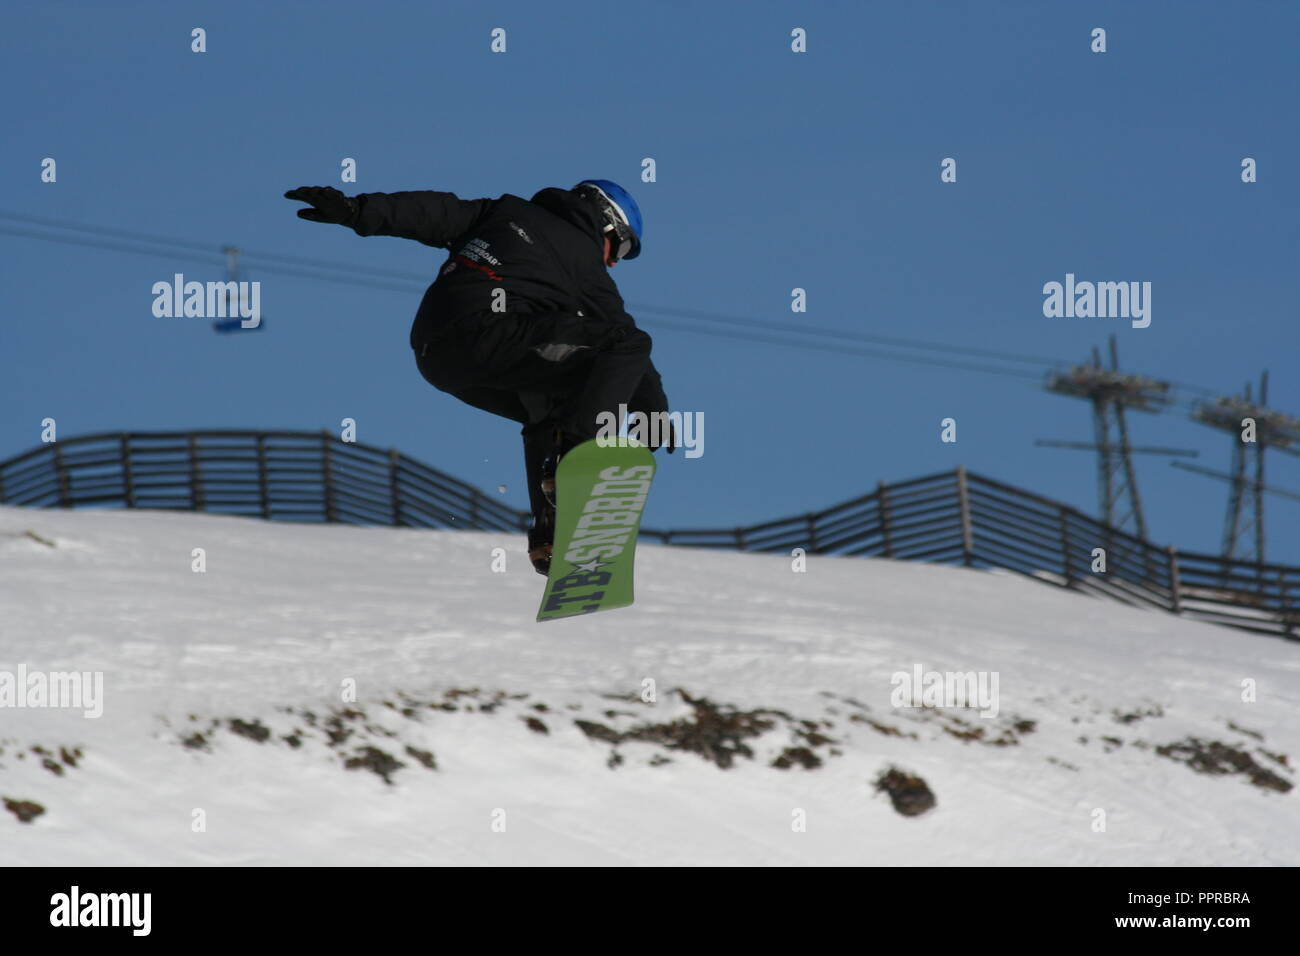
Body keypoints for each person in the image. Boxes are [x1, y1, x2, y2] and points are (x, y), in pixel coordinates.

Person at [284, 179, 671, 575]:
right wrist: (654, 414)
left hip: (438, 355)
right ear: (606, 225)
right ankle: (576, 460)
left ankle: (552, 538)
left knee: (551, 404)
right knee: (628, 344)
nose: (614, 262)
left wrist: (355, 209)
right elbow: (622, 335)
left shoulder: (500, 212)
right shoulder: (582, 256)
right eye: (621, 248)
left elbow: (429, 212)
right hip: (491, 335)